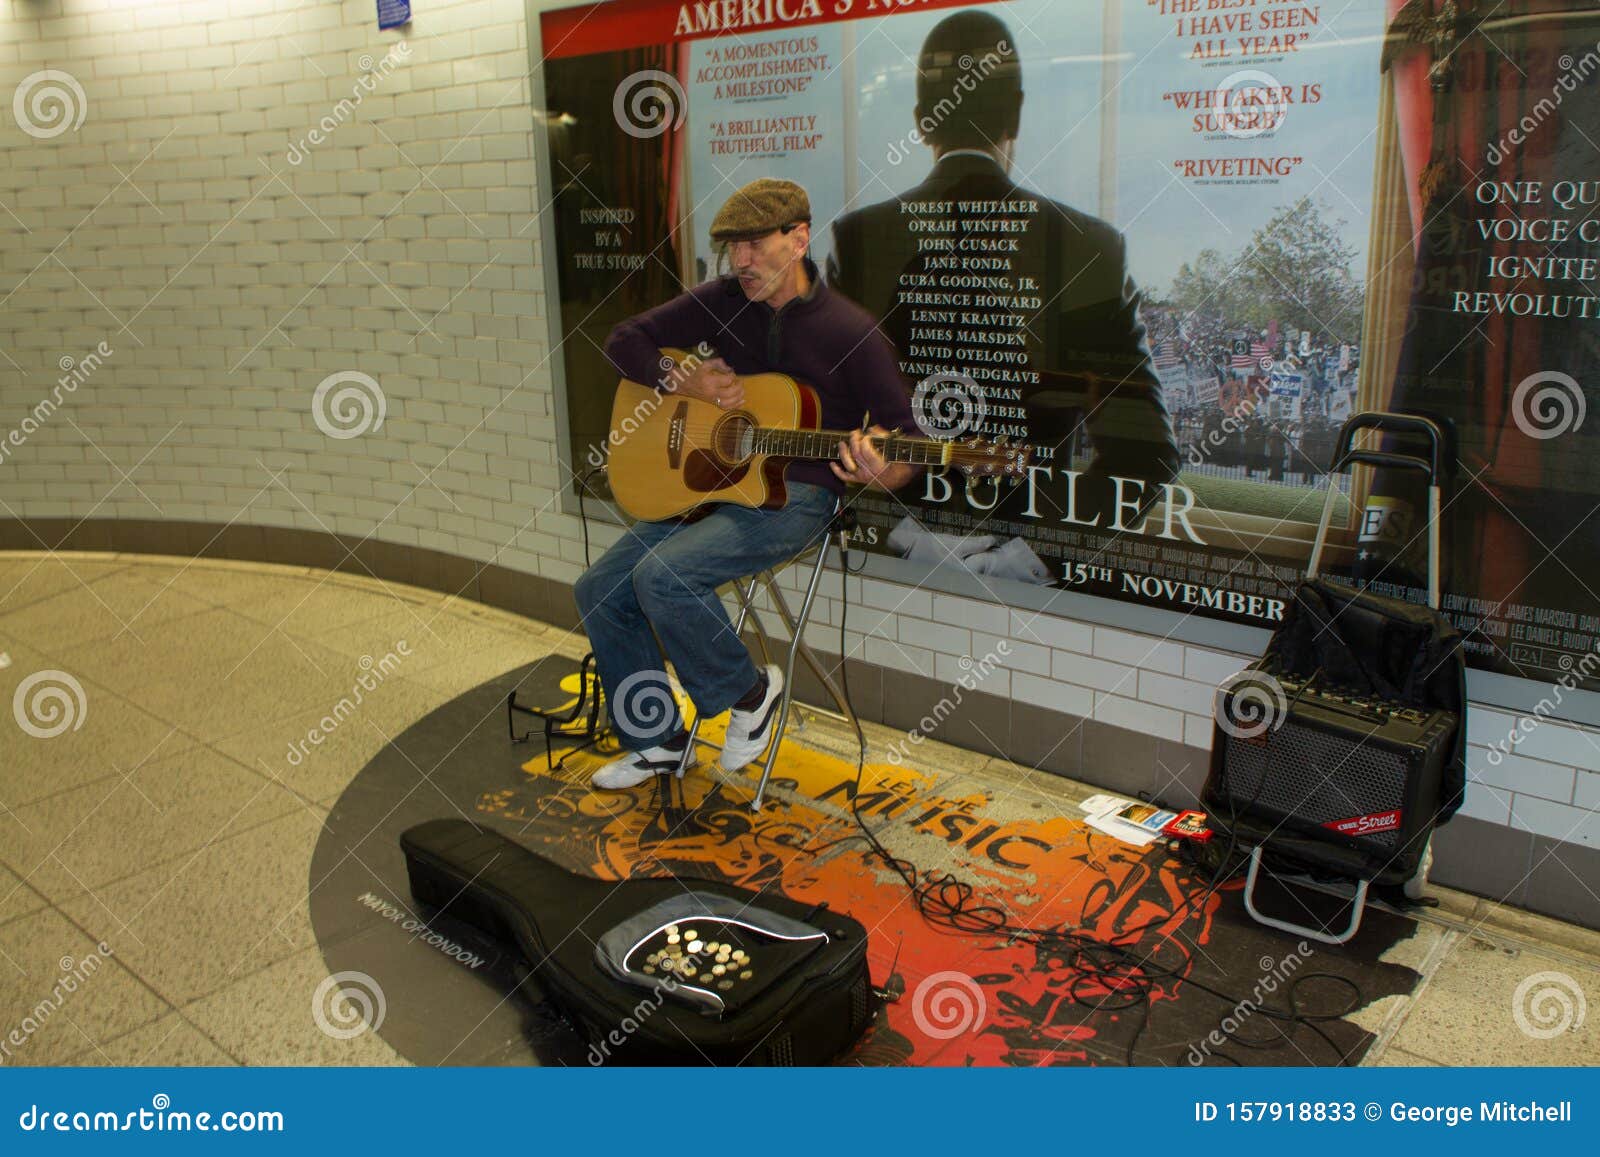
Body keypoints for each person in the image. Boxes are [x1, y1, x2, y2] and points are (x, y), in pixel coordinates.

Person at [576, 179, 918, 791]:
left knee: (665, 576)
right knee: (600, 589)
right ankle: (656, 742)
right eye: (733, 246)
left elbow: (905, 445)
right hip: (707, 489)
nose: (741, 261)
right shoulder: (724, 299)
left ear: (800, 239)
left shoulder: (852, 332)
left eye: (755, 244)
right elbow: (624, 340)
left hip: (797, 498)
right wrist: (685, 381)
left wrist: (879, 466)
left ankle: (750, 694)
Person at [827, 9, 1179, 542]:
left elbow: (828, 409)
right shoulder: (1088, 243)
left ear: (923, 119)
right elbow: (1145, 449)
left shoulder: (860, 237)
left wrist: (895, 523)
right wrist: (1041, 550)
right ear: (1016, 115)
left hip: (889, 531)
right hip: (1027, 546)